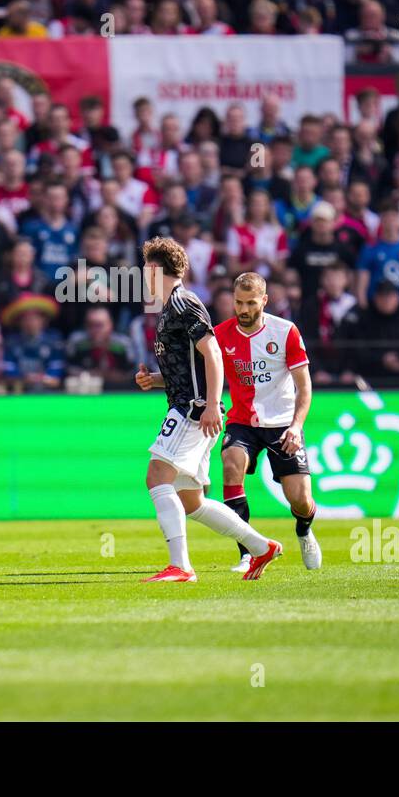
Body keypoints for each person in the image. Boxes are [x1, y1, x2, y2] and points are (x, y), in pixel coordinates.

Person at [131, 236, 281, 583]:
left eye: (146, 270)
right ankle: (261, 547)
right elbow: (190, 367)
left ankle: (180, 566)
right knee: (191, 501)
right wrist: (154, 379)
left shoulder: (183, 302)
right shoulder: (171, 307)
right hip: (191, 404)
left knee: (156, 477)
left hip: (192, 410)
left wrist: (212, 404)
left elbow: (213, 355)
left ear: (157, 270)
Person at [212, 272, 320, 574]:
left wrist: (296, 427)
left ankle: (304, 530)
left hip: (282, 423)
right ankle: (248, 553)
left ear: (265, 300)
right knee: (231, 465)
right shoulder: (220, 334)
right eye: (238, 303)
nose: (243, 310)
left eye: (250, 303)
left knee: (299, 499)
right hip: (242, 421)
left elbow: (305, 386)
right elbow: (198, 372)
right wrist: (155, 378)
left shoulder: (285, 332)